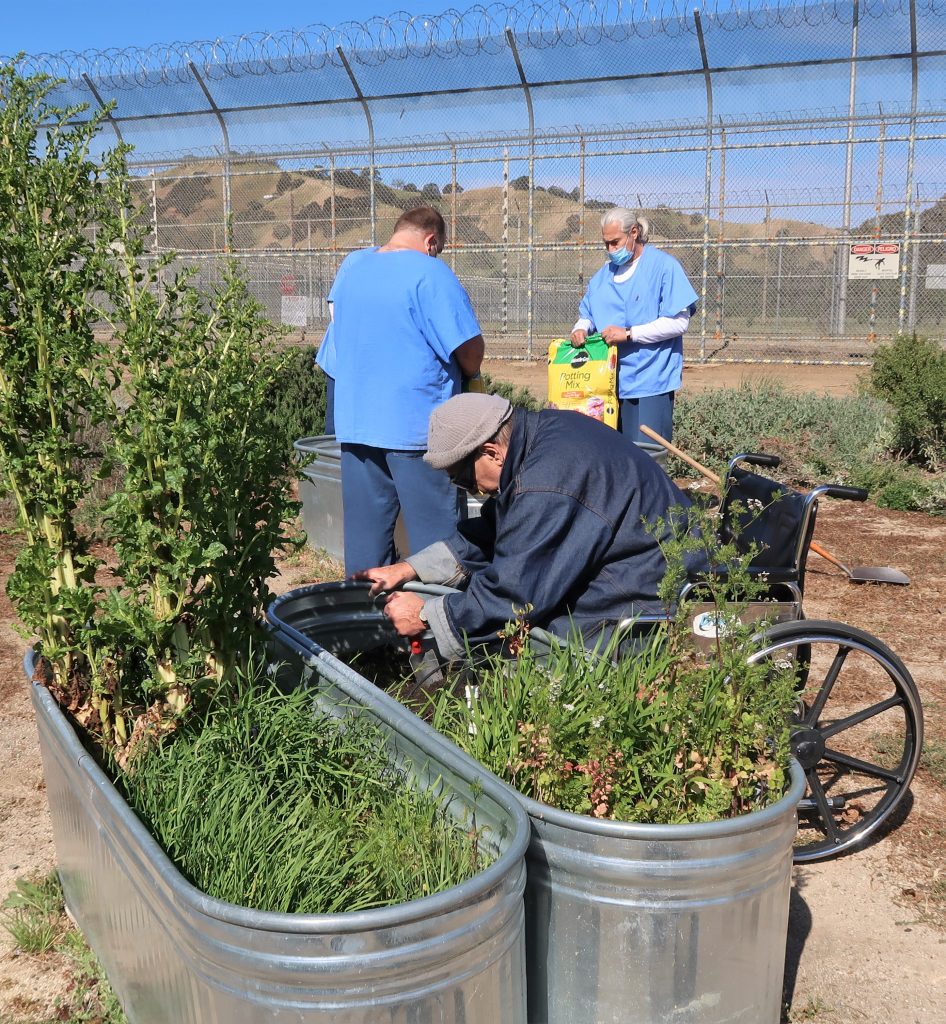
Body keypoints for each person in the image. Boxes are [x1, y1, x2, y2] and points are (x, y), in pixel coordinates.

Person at [354, 392, 694, 660]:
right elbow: (499, 530)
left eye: (465, 479)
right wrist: (409, 568)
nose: (473, 491)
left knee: (527, 649)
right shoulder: (541, 435)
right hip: (636, 568)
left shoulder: (546, 483)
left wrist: (427, 616)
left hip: (649, 602)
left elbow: (516, 595)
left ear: (491, 452)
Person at [326, 206, 485, 574]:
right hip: (415, 432)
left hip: (357, 428)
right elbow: (470, 354)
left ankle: (369, 622)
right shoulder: (430, 273)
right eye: (439, 248)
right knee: (436, 552)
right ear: (431, 241)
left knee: (367, 552)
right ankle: (433, 626)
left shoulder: (353, 269)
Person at [571, 208, 698, 443]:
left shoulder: (663, 267)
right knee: (612, 455)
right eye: (606, 244)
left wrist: (630, 334)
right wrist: (580, 328)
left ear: (634, 233)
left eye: (615, 242)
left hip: (651, 380)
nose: (611, 250)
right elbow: (587, 314)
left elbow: (679, 322)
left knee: (648, 456)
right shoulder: (601, 277)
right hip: (607, 383)